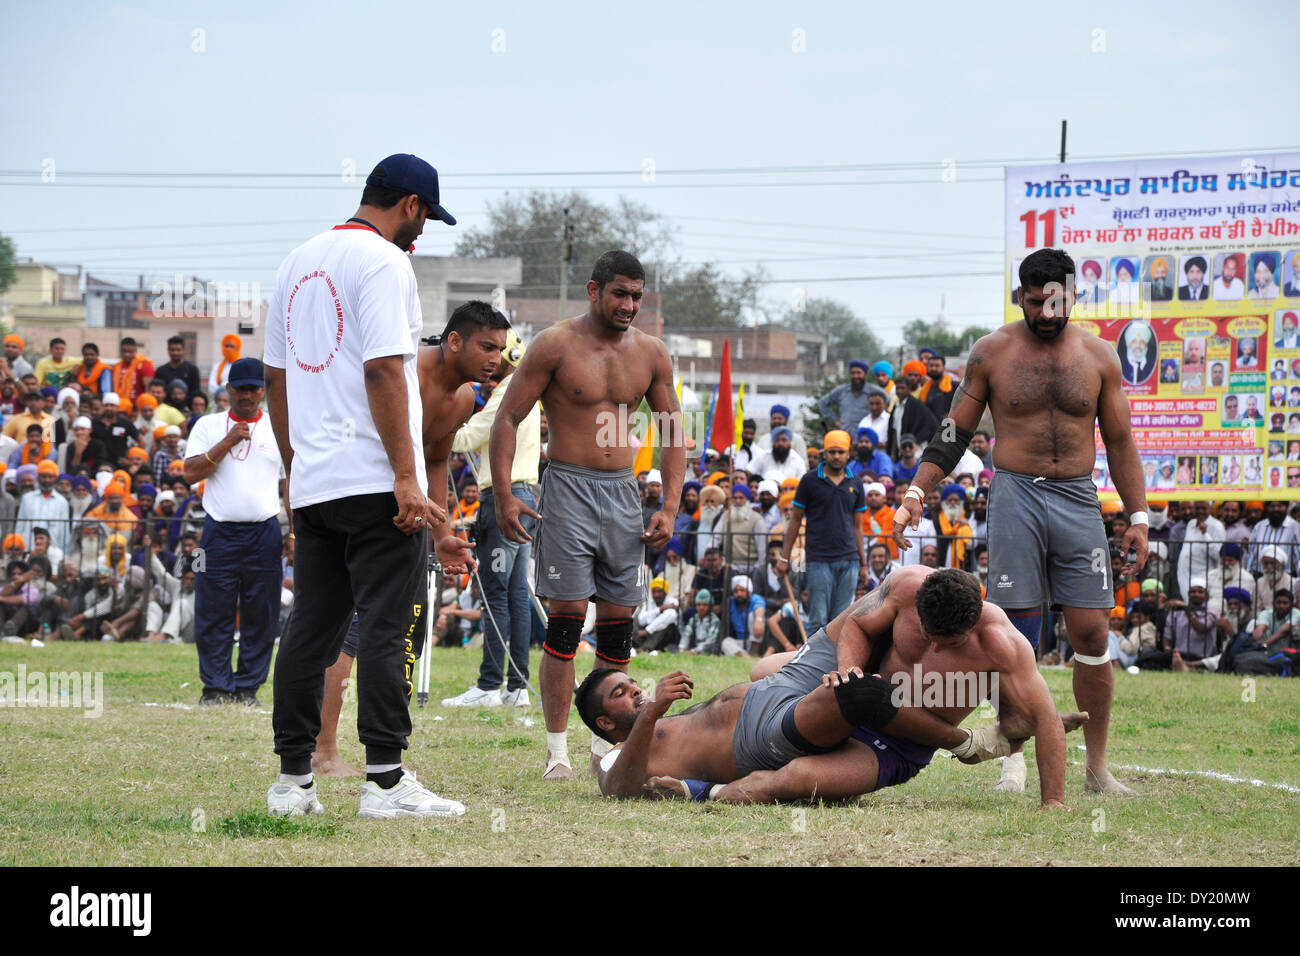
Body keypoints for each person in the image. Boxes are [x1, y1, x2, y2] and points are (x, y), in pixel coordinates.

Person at [895, 248, 1148, 796]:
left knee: (1093, 631)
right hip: (1015, 496)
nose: (1047, 313)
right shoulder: (992, 353)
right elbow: (954, 431)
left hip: (1080, 498)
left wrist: (1139, 516)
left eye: (1057, 302)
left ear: (1074, 296)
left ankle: (1097, 768)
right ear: (1020, 298)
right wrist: (918, 490)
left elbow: (1122, 441)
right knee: (1014, 635)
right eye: (1036, 303)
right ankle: (1015, 762)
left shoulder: (1101, 356)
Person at [263, 152, 471, 819]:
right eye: (425, 219)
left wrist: (297, 471)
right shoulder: (385, 262)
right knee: (389, 626)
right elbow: (385, 370)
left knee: (310, 629)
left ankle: (292, 783)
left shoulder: (295, 261)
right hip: (376, 481)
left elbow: (275, 381)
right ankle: (385, 782)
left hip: (318, 481)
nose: (422, 233)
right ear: (410, 204)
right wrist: (408, 479)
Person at [581, 567, 1081, 807]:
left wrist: (1053, 803)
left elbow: (1045, 717)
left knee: (1023, 716)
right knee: (799, 744)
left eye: (630, 686)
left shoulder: (1004, 644)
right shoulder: (907, 587)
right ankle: (705, 793)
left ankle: (990, 737)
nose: (929, 641)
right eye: (623, 695)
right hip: (822, 702)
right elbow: (861, 629)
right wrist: (845, 670)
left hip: (866, 719)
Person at [489, 249, 685, 781]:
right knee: (568, 618)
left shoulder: (651, 354)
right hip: (568, 487)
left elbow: (672, 434)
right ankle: (557, 753)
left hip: (624, 492)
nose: (629, 305)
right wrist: (505, 494)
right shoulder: (555, 344)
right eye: (620, 293)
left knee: (619, 623)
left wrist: (669, 505)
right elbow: (507, 418)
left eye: (637, 296)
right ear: (594, 290)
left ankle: (608, 749)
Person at [437, 323, 539, 713]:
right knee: (515, 594)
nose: (489, 360)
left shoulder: (505, 396)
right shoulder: (527, 397)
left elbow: (463, 439)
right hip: (525, 496)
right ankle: (517, 685)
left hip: (503, 498)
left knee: (496, 593)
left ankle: (489, 683)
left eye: (495, 351)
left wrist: (441, 412)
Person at [180, 358, 284, 705]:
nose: (247, 395)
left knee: (262, 614)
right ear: (228, 391)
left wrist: (295, 534)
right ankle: (215, 687)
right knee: (212, 610)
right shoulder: (208, 426)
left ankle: (247, 688)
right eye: (240, 388)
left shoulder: (277, 427)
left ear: (263, 391)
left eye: (254, 388)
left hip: (265, 532)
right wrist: (227, 441)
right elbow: (190, 473)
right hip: (217, 532)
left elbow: (292, 484)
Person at [777, 430, 867, 631]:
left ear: (848, 453)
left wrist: (864, 563)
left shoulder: (856, 483)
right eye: (832, 451)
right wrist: (784, 558)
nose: (836, 456)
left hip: (849, 560)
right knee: (818, 619)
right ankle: (813, 662)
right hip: (819, 559)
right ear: (824, 453)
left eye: (841, 452)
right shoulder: (809, 481)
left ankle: (835, 663)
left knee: (841, 620)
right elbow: (795, 520)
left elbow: (857, 526)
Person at [817, 360, 885, 433]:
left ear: (865, 374)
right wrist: (835, 420)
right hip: (845, 436)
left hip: (866, 438)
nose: (856, 376)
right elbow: (822, 403)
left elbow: (890, 404)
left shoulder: (874, 390)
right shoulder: (841, 391)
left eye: (859, 373)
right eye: (853, 373)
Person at [153, 335, 203, 401]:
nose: (175, 353)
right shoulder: (160, 371)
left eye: (178, 350)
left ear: (184, 350)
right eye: (172, 350)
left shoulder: (192, 370)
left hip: (186, 409)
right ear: (168, 350)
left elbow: (196, 393)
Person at [111, 338, 155, 405]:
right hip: (119, 405)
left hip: (137, 406)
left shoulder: (144, 365)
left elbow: (148, 390)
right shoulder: (116, 367)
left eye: (130, 352)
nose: (127, 354)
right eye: (124, 351)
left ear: (136, 351)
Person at [916, 352, 956, 420]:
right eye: (931, 366)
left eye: (937, 366)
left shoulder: (954, 386)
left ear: (943, 368)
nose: (933, 368)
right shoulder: (925, 389)